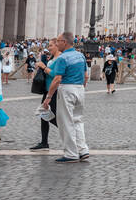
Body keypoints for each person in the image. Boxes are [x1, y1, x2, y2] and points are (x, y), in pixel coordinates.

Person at [42, 32, 91, 163]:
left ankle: (71, 153)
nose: (57, 44)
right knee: (78, 121)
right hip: (80, 88)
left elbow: (57, 79)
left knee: (66, 121)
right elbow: (86, 75)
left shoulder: (62, 58)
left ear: (64, 42)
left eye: (58, 41)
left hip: (67, 88)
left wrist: (48, 97)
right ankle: (83, 150)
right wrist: (81, 88)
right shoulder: (80, 56)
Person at [30, 41, 61, 151]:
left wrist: (44, 67)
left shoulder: (59, 59)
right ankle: (44, 142)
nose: (49, 48)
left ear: (57, 46)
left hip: (54, 91)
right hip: (47, 90)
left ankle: (70, 135)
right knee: (44, 116)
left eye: (51, 45)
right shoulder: (52, 58)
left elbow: (55, 75)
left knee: (54, 118)